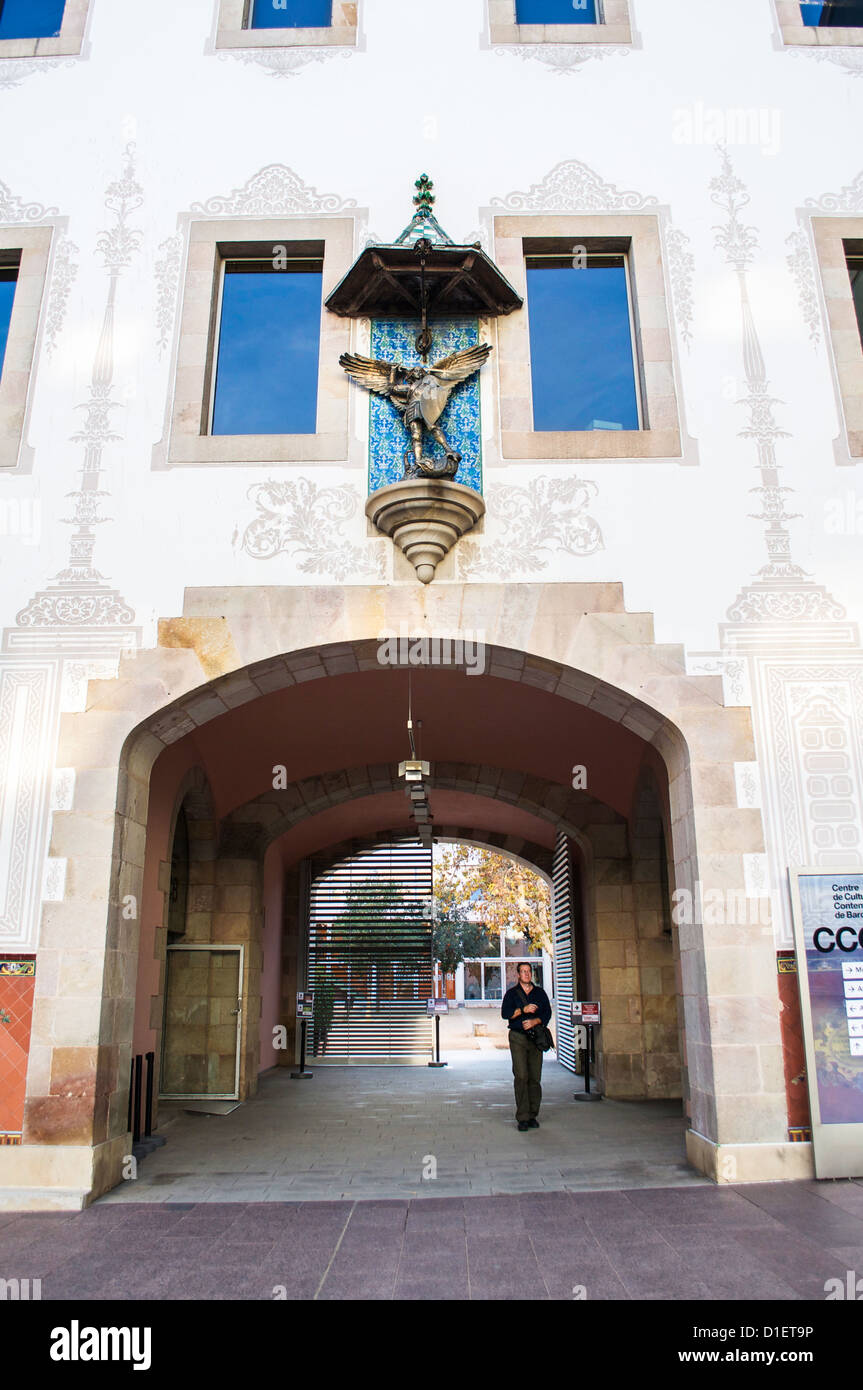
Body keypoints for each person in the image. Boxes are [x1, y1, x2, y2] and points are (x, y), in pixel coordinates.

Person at [500, 962, 552, 1131]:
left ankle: (532, 1115)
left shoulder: (539, 993)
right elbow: (505, 1014)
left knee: (535, 1077)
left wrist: (535, 1021)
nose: (526, 974)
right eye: (523, 972)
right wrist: (523, 1010)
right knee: (521, 1075)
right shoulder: (512, 994)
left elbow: (547, 1013)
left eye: (529, 971)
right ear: (518, 975)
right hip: (518, 1038)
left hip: (535, 1039)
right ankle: (522, 1116)